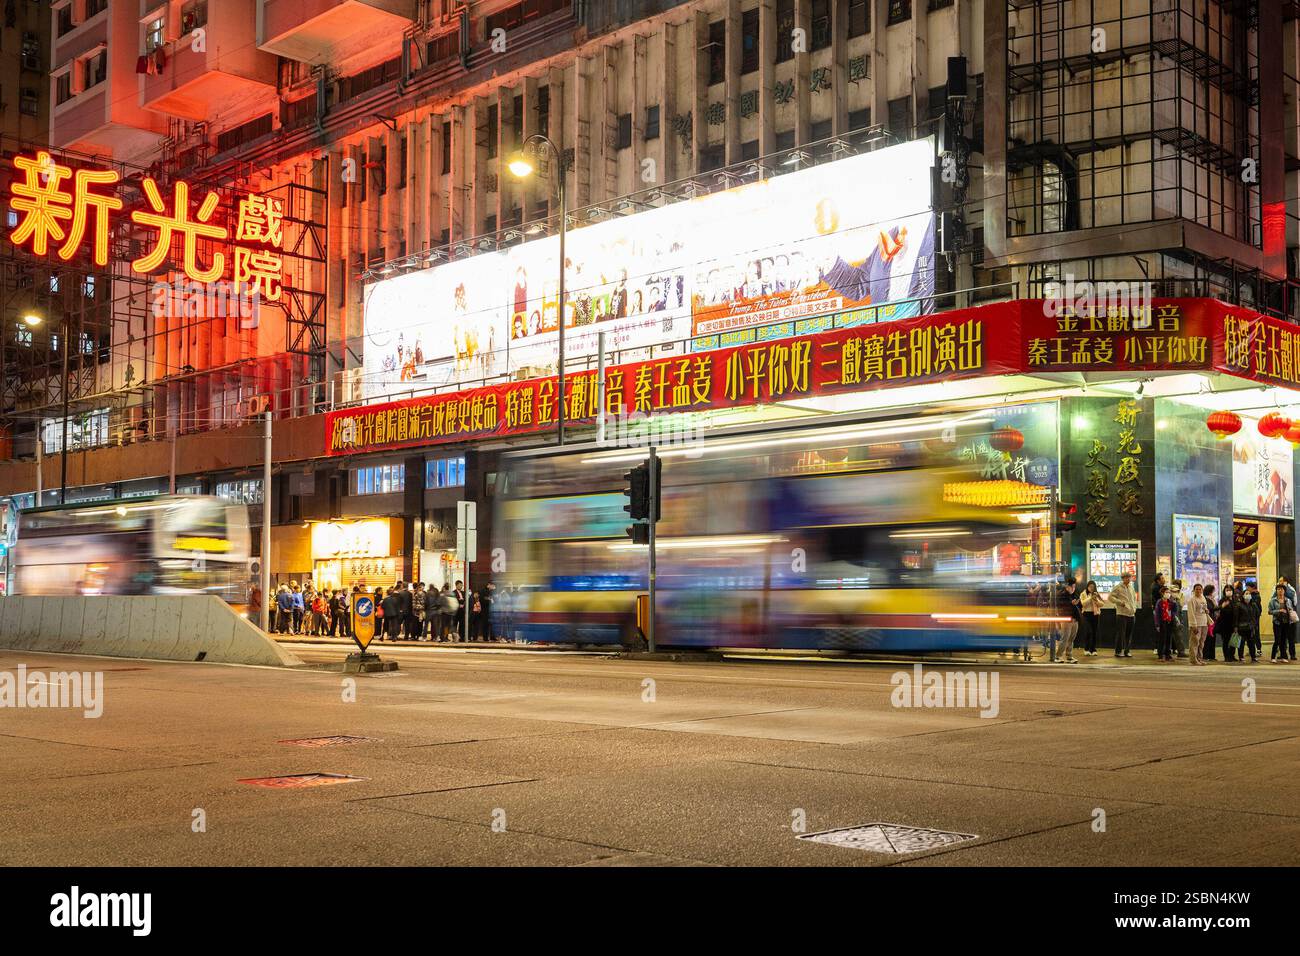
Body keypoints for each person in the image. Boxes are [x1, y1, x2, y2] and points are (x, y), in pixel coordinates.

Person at [1107, 571, 1136, 657]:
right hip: (1121, 614)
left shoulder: (1131, 587)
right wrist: (1119, 602)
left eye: (1129, 577)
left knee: (1129, 634)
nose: (1128, 579)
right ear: (1122, 578)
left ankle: (1127, 651)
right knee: (1121, 633)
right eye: (1126, 577)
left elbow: (1134, 599)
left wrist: (1134, 608)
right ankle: (1118, 651)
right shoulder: (1118, 587)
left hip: (1131, 614)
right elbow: (1110, 597)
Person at [1055, 579, 1081, 663]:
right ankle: (1058, 656)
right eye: (1071, 587)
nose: (1073, 588)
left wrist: (1077, 603)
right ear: (1067, 587)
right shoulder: (1061, 595)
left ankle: (1069, 656)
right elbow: (1061, 608)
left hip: (1075, 619)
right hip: (1066, 619)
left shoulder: (1075, 594)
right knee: (1065, 638)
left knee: (1071, 638)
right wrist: (1071, 604)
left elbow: (1079, 605)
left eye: (1074, 586)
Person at [1269, 584, 1295, 662]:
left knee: (1284, 640)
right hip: (1277, 622)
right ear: (1276, 591)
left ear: (1284, 591)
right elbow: (1269, 611)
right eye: (1278, 589)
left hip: (1286, 622)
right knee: (1277, 640)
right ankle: (1273, 657)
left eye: (1282, 589)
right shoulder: (1273, 600)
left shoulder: (1288, 600)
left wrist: (1289, 611)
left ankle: (1284, 657)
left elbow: (1291, 609)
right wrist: (1279, 611)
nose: (1280, 591)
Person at [1187, 583, 1208, 666]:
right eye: (1197, 589)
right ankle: (1193, 659)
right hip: (1196, 624)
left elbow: (1204, 609)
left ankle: (1199, 658)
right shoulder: (1191, 600)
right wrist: (1193, 625)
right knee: (1194, 642)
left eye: (1200, 589)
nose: (1198, 591)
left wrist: (1207, 611)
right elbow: (1191, 613)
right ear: (1194, 590)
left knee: (1201, 642)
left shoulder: (1203, 598)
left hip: (1204, 623)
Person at [1079, 581, 1103, 656]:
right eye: (1090, 587)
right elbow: (1082, 603)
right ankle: (1086, 649)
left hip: (1095, 614)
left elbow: (1102, 604)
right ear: (1087, 587)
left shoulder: (1097, 594)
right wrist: (1090, 598)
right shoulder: (1083, 594)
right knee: (1088, 631)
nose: (1091, 588)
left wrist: (1096, 600)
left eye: (1093, 587)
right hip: (1086, 614)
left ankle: (1093, 649)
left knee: (1094, 632)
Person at [1213, 591, 1237, 662]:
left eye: (1230, 590)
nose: (1229, 592)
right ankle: (1226, 656)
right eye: (1227, 590)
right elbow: (1221, 610)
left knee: (1233, 641)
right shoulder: (1223, 600)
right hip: (1224, 624)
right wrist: (1224, 606)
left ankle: (1232, 655)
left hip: (1233, 623)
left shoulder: (1234, 600)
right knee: (1226, 641)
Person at [1241, 581, 1263, 662]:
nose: (1247, 589)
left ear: (1252, 587)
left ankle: (1258, 650)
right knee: (1252, 635)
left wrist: (1255, 618)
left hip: (1254, 618)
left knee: (1255, 634)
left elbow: (1256, 608)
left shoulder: (1255, 596)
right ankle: (1253, 650)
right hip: (1250, 618)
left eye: (1247, 587)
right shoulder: (1253, 595)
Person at [1155, 586, 1177, 662]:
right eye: (1166, 592)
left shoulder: (1171, 602)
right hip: (1162, 622)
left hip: (1169, 622)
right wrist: (1157, 624)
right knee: (1162, 639)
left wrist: (1172, 614)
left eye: (1169, 592)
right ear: (1162, 593)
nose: (1168, 594)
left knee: (1168, 638)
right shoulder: (1159, 602)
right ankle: (1160, 655)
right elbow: (1157, 614)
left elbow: (1174, 611)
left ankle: (1168, 655)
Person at [1202, 584, 1218, 660]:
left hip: (1213, 621)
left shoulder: (1212, 599)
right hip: (1208, 621)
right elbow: (1211, 609)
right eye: (1213, 591)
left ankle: (1212, 656)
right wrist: (1221, 606)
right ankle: (1206, 655)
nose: (1214, 592)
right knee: (1208, 639)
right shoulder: (1206, 599)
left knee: (1212, 639)